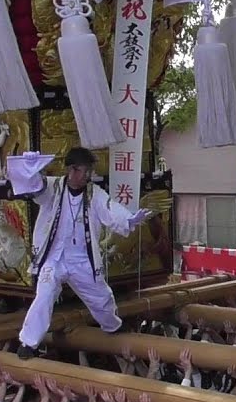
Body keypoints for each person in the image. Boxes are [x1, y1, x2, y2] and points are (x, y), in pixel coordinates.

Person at [9, 147, 152, 359]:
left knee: (102, 297)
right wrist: (31, 169)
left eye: (88, 171)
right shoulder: (53, 187)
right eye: (83, 171)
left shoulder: (95, 194)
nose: (86, 176)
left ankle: (112, 326)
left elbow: (110, 209)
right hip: (53, 259)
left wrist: (127, 219)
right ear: (71, 170)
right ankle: (28, 342)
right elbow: (35, 187)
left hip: (81, 259)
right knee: (44, 295)